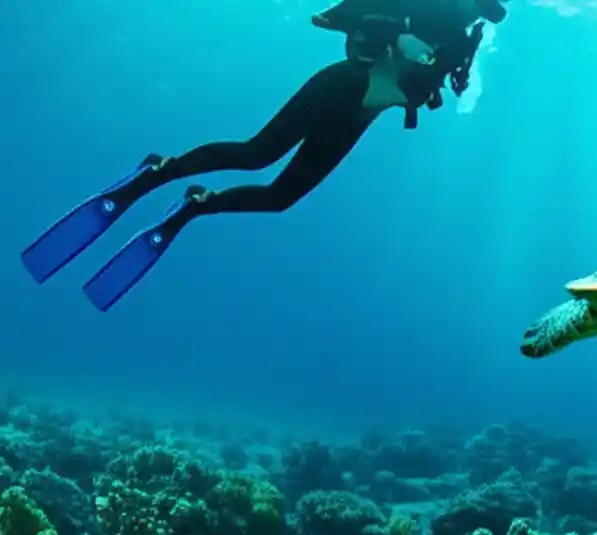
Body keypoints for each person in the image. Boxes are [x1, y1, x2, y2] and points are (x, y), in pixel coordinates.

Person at [21, 0, 509, 312]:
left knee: (281, 197)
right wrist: (402, 37)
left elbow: (448, 86)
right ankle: (158, 172)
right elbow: (361, 23)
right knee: (257, 153)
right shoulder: (427, 6)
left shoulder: (465, 36)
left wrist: (449, 75)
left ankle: (197, 204)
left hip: (362, 113)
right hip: (343, 86)